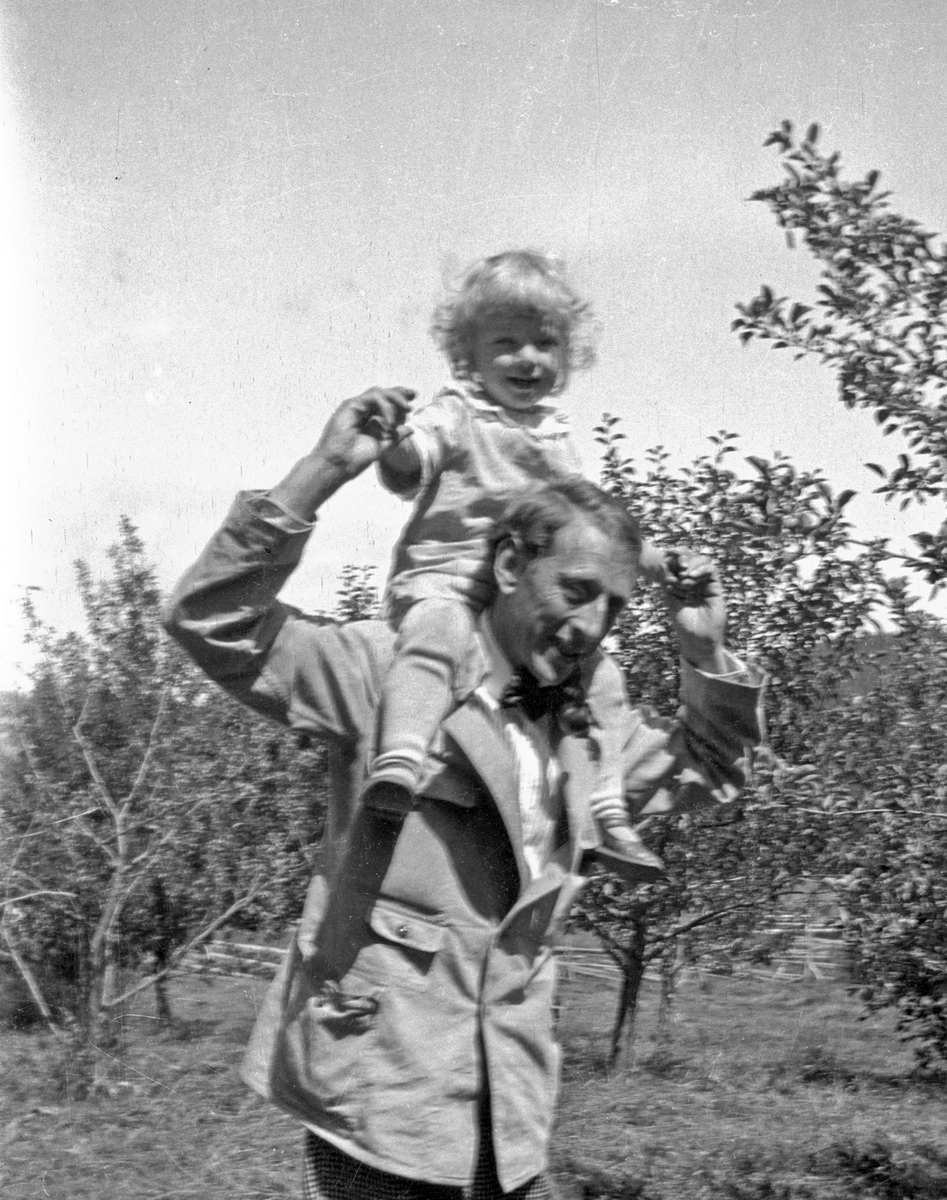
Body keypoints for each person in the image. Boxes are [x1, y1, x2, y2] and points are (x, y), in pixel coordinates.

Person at [164, 388, 765, 1199]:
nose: (591, 627)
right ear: (511, 566)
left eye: (614, 608)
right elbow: (211, 624)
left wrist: (704, 646)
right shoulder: (386, 671)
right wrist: (320, 473)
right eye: (576, 591)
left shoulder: (585, 729)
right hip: (378, 1089)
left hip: (506, 1104)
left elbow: (709, 767)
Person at [363, 249, 662, 880]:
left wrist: (657, 563)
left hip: (519, 596)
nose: (529, 360)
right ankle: (400, 757)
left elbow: (594, 531)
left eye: (545, 344)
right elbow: (408, 467)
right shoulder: (459, 412)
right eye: (507, 344)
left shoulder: (557, 435)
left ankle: (608, 806)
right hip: (449, 577)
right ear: (468, 356)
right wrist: (389, 442)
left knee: (604, 679)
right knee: (433, 644)